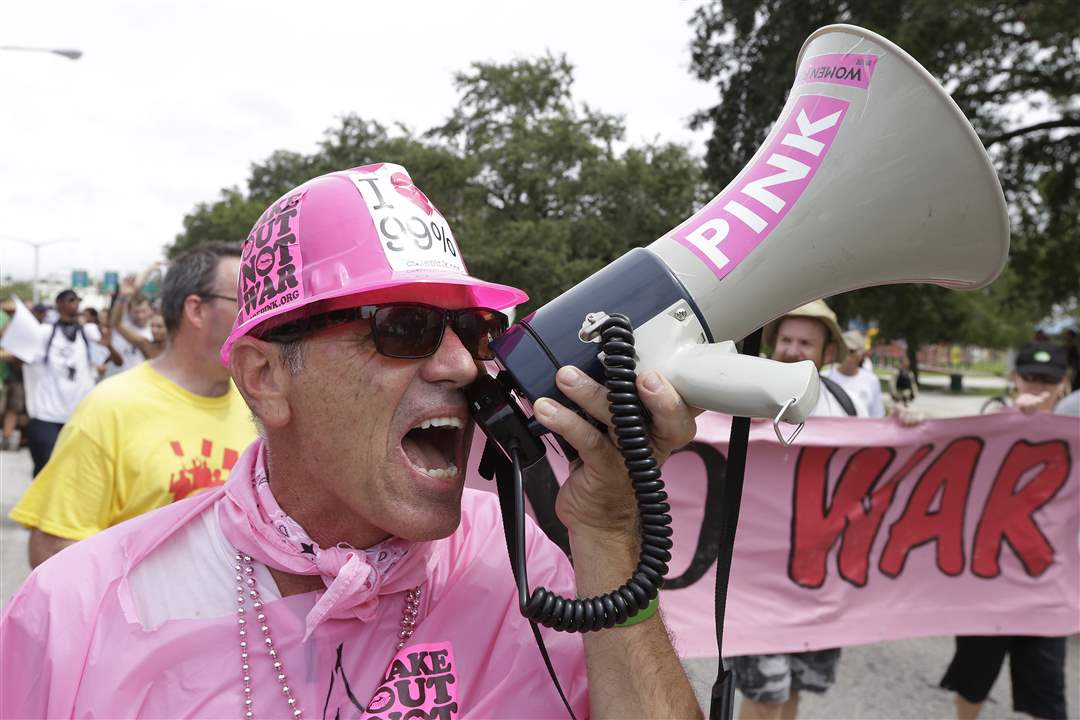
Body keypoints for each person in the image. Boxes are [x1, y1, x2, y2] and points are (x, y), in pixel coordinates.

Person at [0, 163, 702, 718]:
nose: (460, 365)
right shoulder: (76, 612)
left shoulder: (546, 570)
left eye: (474, 330)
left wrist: (610, 536)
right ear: (266, 376)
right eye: (402, 327)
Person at [10, 242, 257, 569]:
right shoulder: (109, 408)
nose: (262, 312)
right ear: (196, 310)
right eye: (247, 300)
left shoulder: (262, 406)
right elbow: (54, 549)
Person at [728, 299, 865, 720]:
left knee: (795, 688)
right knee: (764, 693)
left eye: (806, 342)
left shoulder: (843, 400)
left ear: (827, 354)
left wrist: (907, 423)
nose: (792, 349)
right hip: (756, 576)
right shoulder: (738, 396)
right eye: (785, 339)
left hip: (819, 575)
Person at [939, 341, 1071, 720]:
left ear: (1064, 382)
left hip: (1045, 586)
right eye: (1029, 378)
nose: (1038, 387)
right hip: (987, 582)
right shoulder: (986, 425)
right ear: (1014, 378)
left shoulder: (1074, 435)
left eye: (1048, 380)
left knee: (1047, 695)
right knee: (972, 682)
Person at [10, 290, 104, 475]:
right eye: (71, 300)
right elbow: (21, 355)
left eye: (77, 300)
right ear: (59, 304)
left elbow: (109, 360)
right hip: (47, 415)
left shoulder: (87, 332)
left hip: (78, 417)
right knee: (45, 468)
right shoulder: (46, 332)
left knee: (73, 472)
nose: (75, 304)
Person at [823, 330, 886, 417]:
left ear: (861, 354)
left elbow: (877, 416)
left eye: (851, 351)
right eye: (843, 349)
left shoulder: (872, 381)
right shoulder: (824, 377)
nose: (845, 354)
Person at [103, 280, 156, 376]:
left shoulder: (155, 332)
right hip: (115, 380)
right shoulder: (124, 324)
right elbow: (115, 321)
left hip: (140, 383)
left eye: (143, 311)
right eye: (136, 312)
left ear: (151, 311)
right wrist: (123, 296)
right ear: (129, 312)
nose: (140, 316)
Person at [107, 276, 167, 361]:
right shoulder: (146, 345)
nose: (154, 330)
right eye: (152, 326)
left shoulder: (179, 348)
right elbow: (116, 324)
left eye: (159, 327)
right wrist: (122, 296)